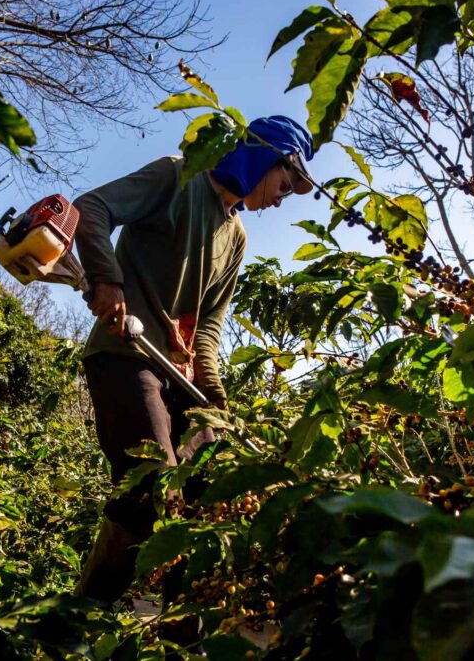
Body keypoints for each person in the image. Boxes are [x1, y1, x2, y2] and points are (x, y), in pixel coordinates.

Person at [72, 116, 315, 604]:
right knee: (153, 488)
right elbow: (90, 208)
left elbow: (207, 328)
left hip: (179, 376)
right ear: (262, 158)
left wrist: (217, 402)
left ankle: (184, 626)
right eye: (283, 185)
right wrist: (107, 277)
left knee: (211, 490)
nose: (278, 200)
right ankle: (78, 614)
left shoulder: (238, 239)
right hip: (126, 356)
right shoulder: (176, 176)